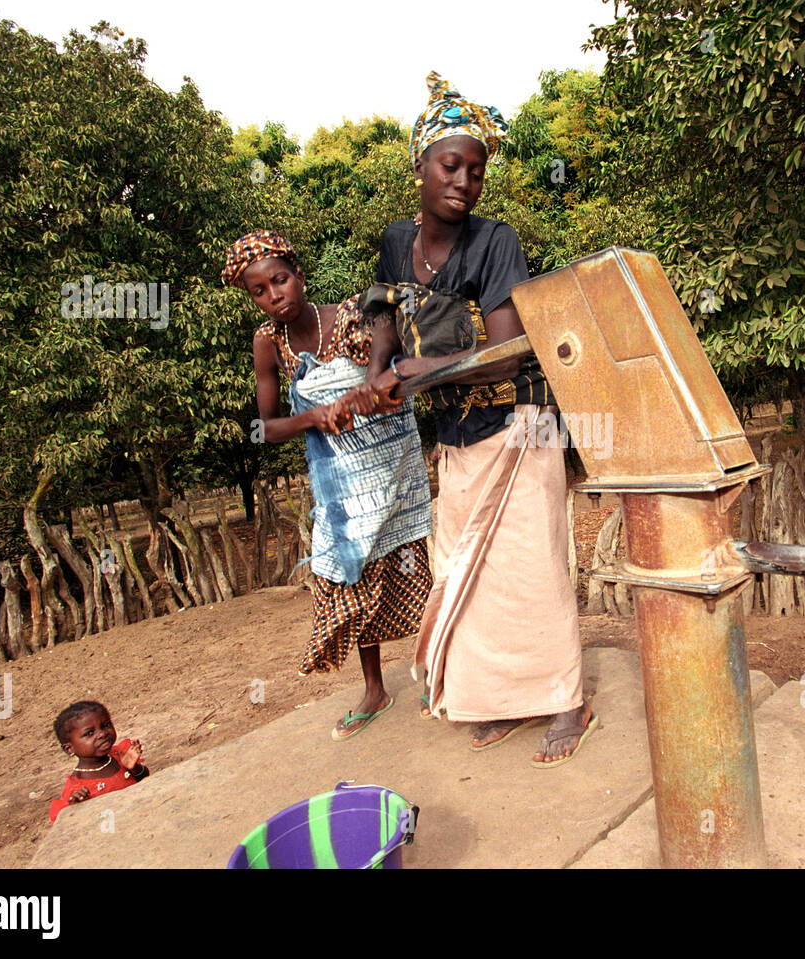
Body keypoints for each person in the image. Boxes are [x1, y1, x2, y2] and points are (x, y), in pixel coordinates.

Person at [342, 72, 596, 767]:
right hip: (456, 434)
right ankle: (500, 700)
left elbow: (506, 353)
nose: (464, 181)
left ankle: (568, 697)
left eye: (476, 171)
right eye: (451, 165)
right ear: (420, 164)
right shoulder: (398, 241)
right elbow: (383, 313)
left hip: (519, 423)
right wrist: (375, 374)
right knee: (472, 573)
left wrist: (412, 374)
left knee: (531, 567)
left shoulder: (496, 242)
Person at [225, 230, 433, 740]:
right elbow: (265, 427)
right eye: (260, 290)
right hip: (341, 484)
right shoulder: (266, 344)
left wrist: (371, 384)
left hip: (391, 467)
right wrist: (315, 416)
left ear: (299, 274)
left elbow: (387, 344)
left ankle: (434, 673)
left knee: (412, 566)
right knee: (346, 571)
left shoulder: (345, 315)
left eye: (281, 279)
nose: (275, 295)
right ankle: (374, 689)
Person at [49, 701, 148, 823]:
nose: (102, 734)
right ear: (70, 749)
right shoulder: (78, 787)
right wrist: (77, 806)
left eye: (106, 725)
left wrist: (134, 768)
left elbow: (144, 779)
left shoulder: (118, 755)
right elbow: (74, 823)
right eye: (89, 733)